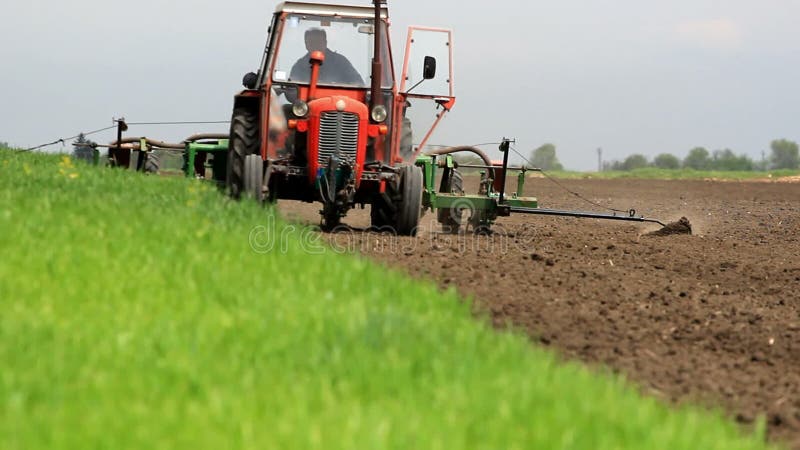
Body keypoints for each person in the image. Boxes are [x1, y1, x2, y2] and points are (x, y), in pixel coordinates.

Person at [289, 28, 364, 86]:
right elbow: (292, 90)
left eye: (318, 42)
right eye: (312, 42)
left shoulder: (340, 62)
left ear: (325, 42)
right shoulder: (299, 66)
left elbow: (358, 83)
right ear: (306, 44)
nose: (315, 46)